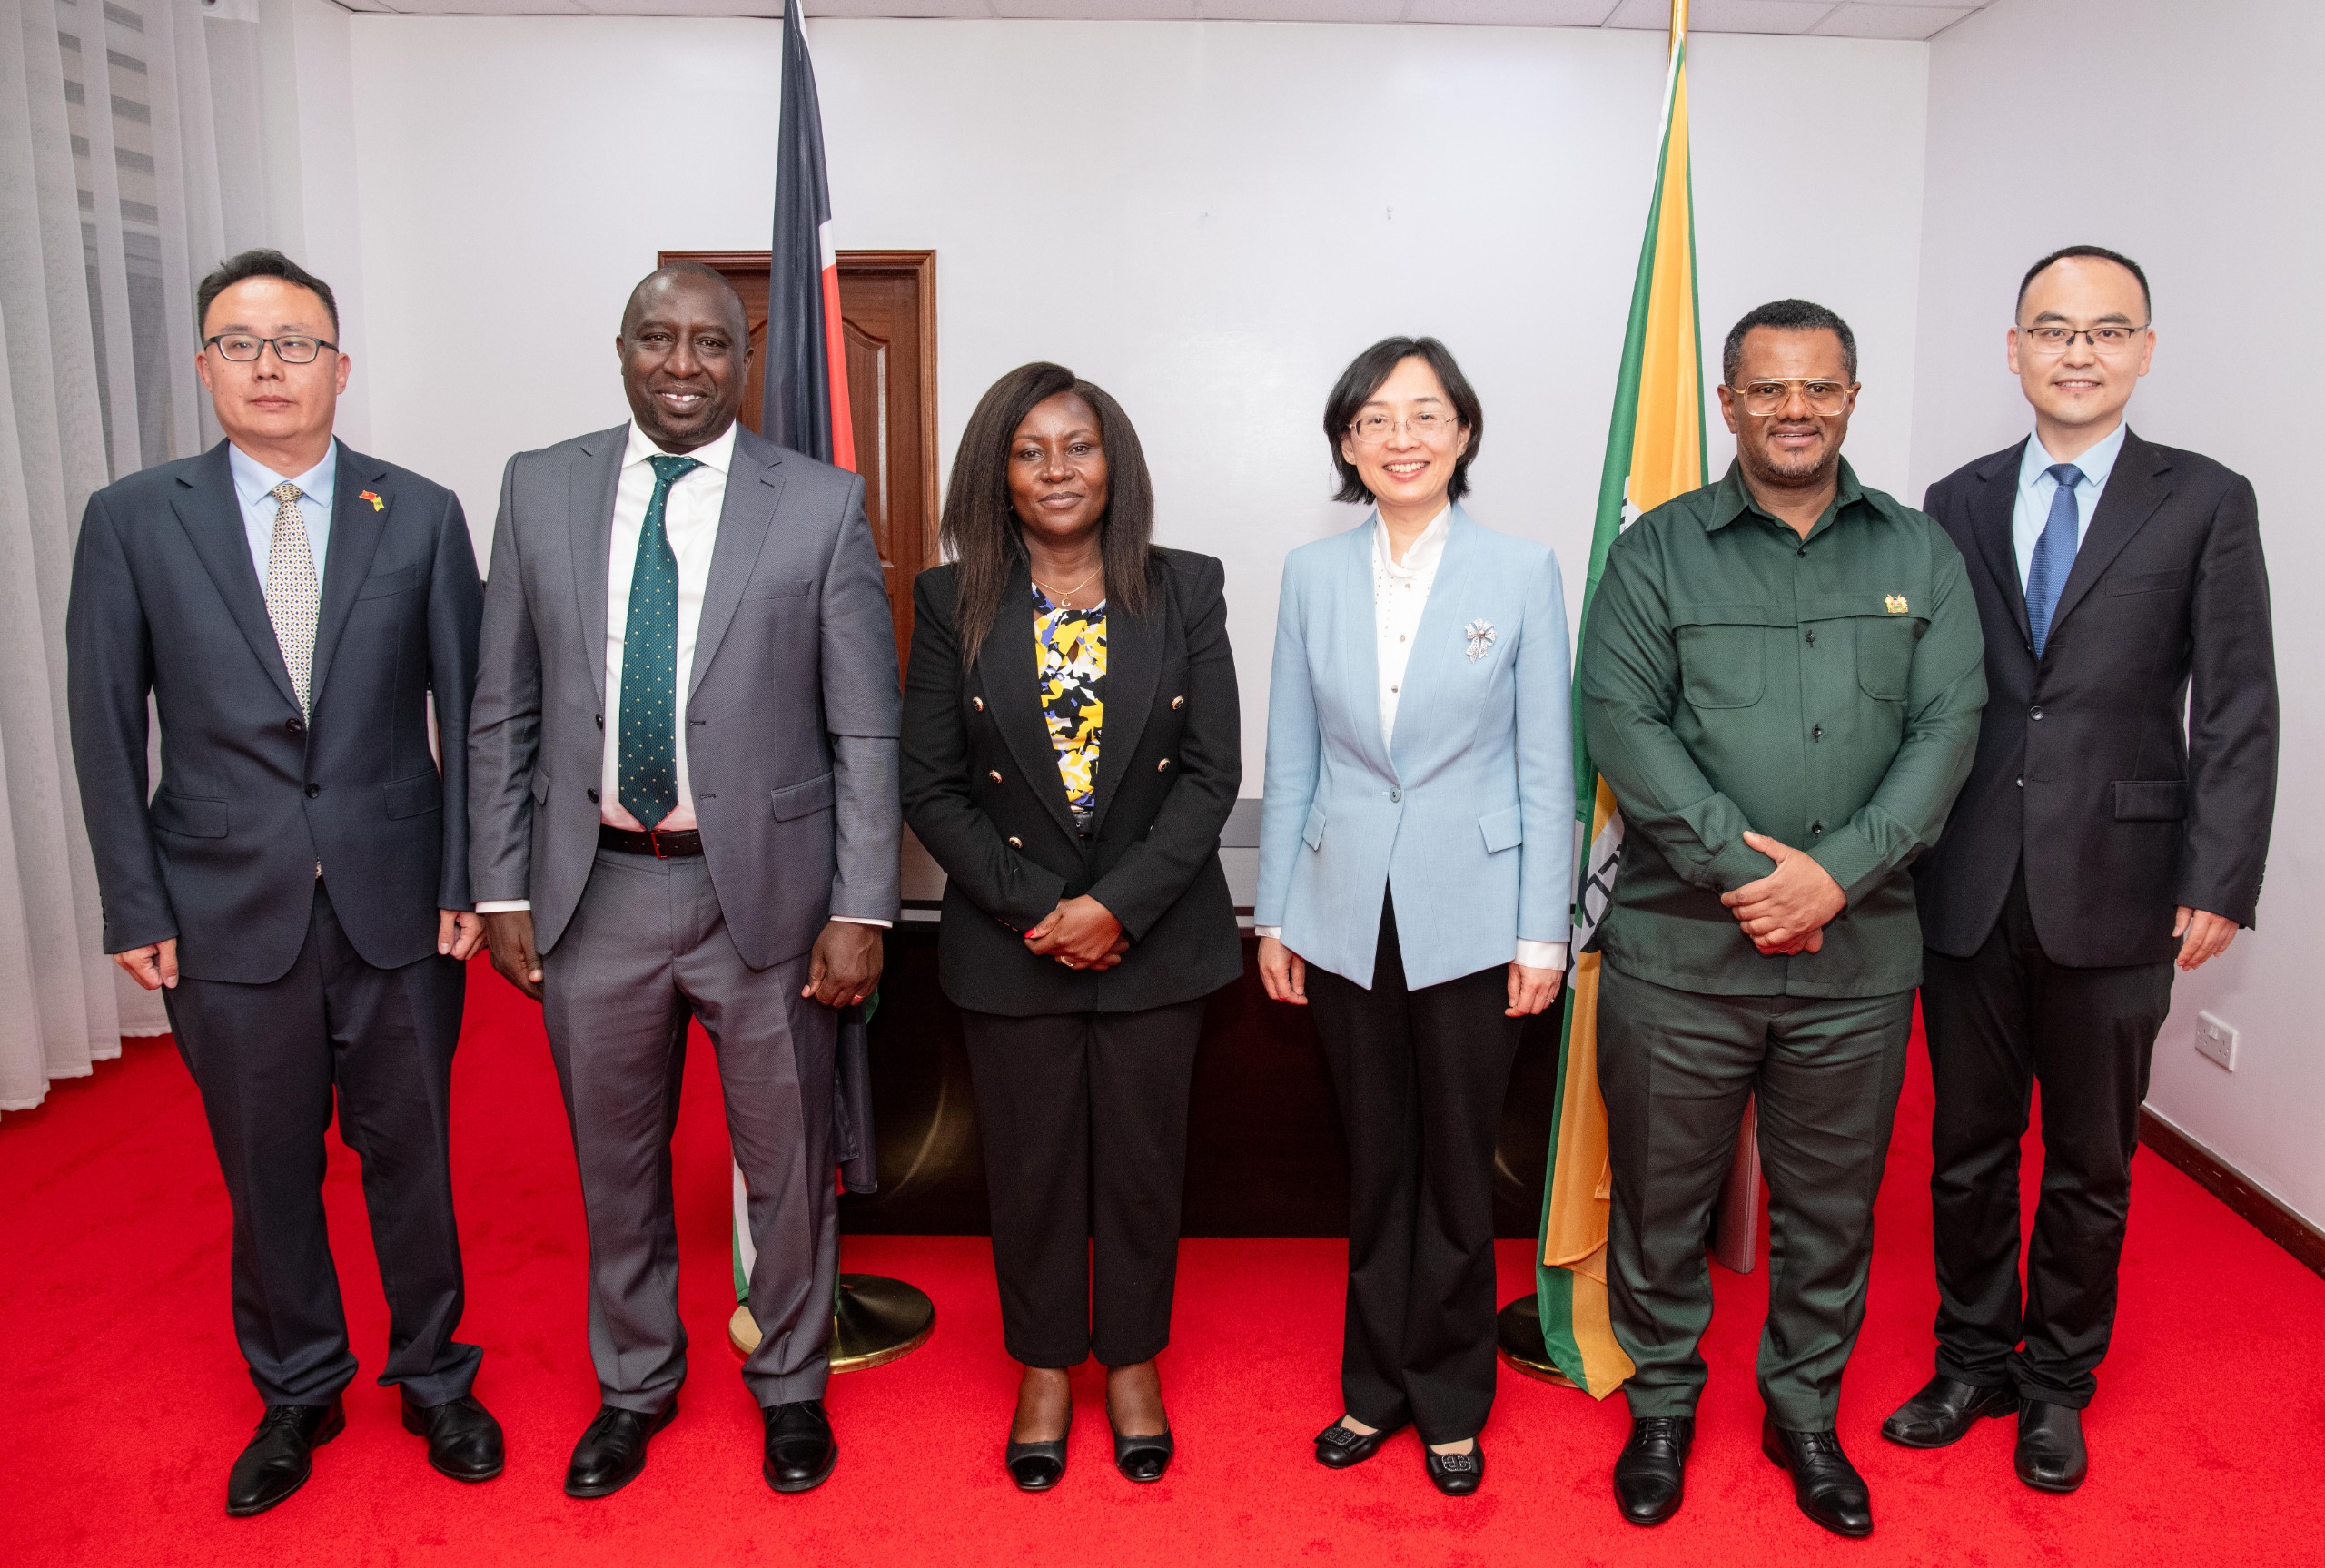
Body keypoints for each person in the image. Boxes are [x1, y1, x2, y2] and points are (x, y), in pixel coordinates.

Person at [65, 249, 498, 1516]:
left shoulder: (420, 511)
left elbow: (472, 711)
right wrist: (133, 901)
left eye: (295, 343)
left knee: (412, 1153)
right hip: (219, 905)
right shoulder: (133, 518)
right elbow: (105, 725)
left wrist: (472, 873)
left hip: (400, 898)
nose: (269, 366)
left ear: (340, 367)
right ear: (205, 366)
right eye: (241, 343)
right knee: (265, 1166)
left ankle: (436, 1374)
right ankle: (299, 1382)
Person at [467, 262, 900, 1498]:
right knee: (616, 1163)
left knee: (786, 1159)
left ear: (743, 362)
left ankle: (791, 1383)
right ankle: (635, 1383)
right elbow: (502, 704)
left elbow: (864, 725)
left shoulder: (818, 502)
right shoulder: (539, 486)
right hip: (592, 887)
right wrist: (500, 885)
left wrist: (860, 904)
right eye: (657, 337)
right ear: (621, 349)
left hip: (764, 893)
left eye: (711, 342)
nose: (682, 363)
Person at [1581, 300, 1985, 1537]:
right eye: (1767, 388)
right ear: (1728, 402)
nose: (1793, 409)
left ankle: (1803, 1410)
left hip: (1856, 959)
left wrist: (1836, 875)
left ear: (1851, 397)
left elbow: (1949, 727)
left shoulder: (1919, 551)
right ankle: (1662, 1402)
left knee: (1831, 1208)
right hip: (1680, 954)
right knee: (1660, 1200)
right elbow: (1620, 718)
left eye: (1818, 387)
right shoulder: (1658, 553)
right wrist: (1750, 878)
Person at [1888, 247, 2277, 1493]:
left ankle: (2058, 1379)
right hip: (1967, 876)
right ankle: (1971, 1358)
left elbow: (2237, 703)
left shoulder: (2204, 498)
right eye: (2053, 329)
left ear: (2144, 352)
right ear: (2014, 349)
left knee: (2090, 1159)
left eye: (2108, 331)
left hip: (2123, 880)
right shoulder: (1954, 498)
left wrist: (2220, 874)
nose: (2078, 351)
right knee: (1965, 1145)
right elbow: (1928, 688)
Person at [901, 362, 1242, 1490]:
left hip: (1156, 937)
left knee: (1143, 1166)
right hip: (1016, 942)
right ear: (996, 472)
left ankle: (1132, 1361)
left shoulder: (1186, 587)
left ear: (1114, 462)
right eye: (1029, 449)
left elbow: (1211, 773)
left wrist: (1116, 906)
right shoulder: (951, 600)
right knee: (1032, 1169)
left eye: (1078, 445)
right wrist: (1044, 909)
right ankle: (1045, 1366)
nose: (1057, 469)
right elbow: (929, 783)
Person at [1256, 337, 1572, 1499]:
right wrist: (1277, 915)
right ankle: (1373, 1384)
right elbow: (1292, 758)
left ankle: (1448, 1395)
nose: (1403, 437)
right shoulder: (1310, 574)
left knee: (1453, 1164)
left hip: (1476, 914)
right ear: (1347, 443)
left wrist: (1543, 933)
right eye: (1377, 419)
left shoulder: (1521, 571)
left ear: (1463, 433)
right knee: (1375, 1158)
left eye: (1426, 414)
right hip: (1343, 907)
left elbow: (1546, 764)